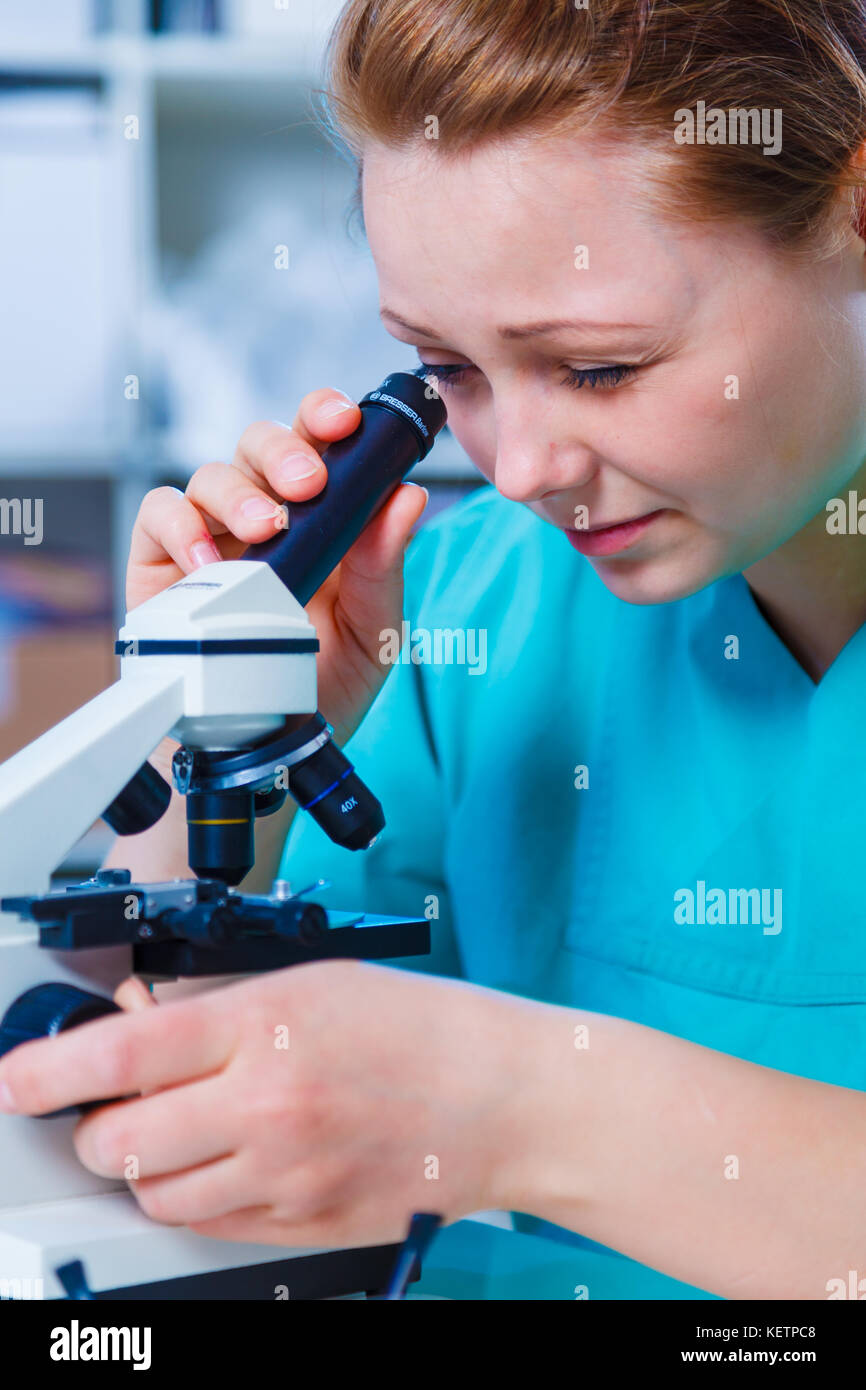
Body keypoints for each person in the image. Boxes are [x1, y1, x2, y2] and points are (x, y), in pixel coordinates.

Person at [2, 0, 866, 1300]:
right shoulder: (465, 605)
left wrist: (514, 1103)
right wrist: (216, 736)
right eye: (443, 366)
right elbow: (193, 1098)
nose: (513, 470)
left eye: (599, 367)